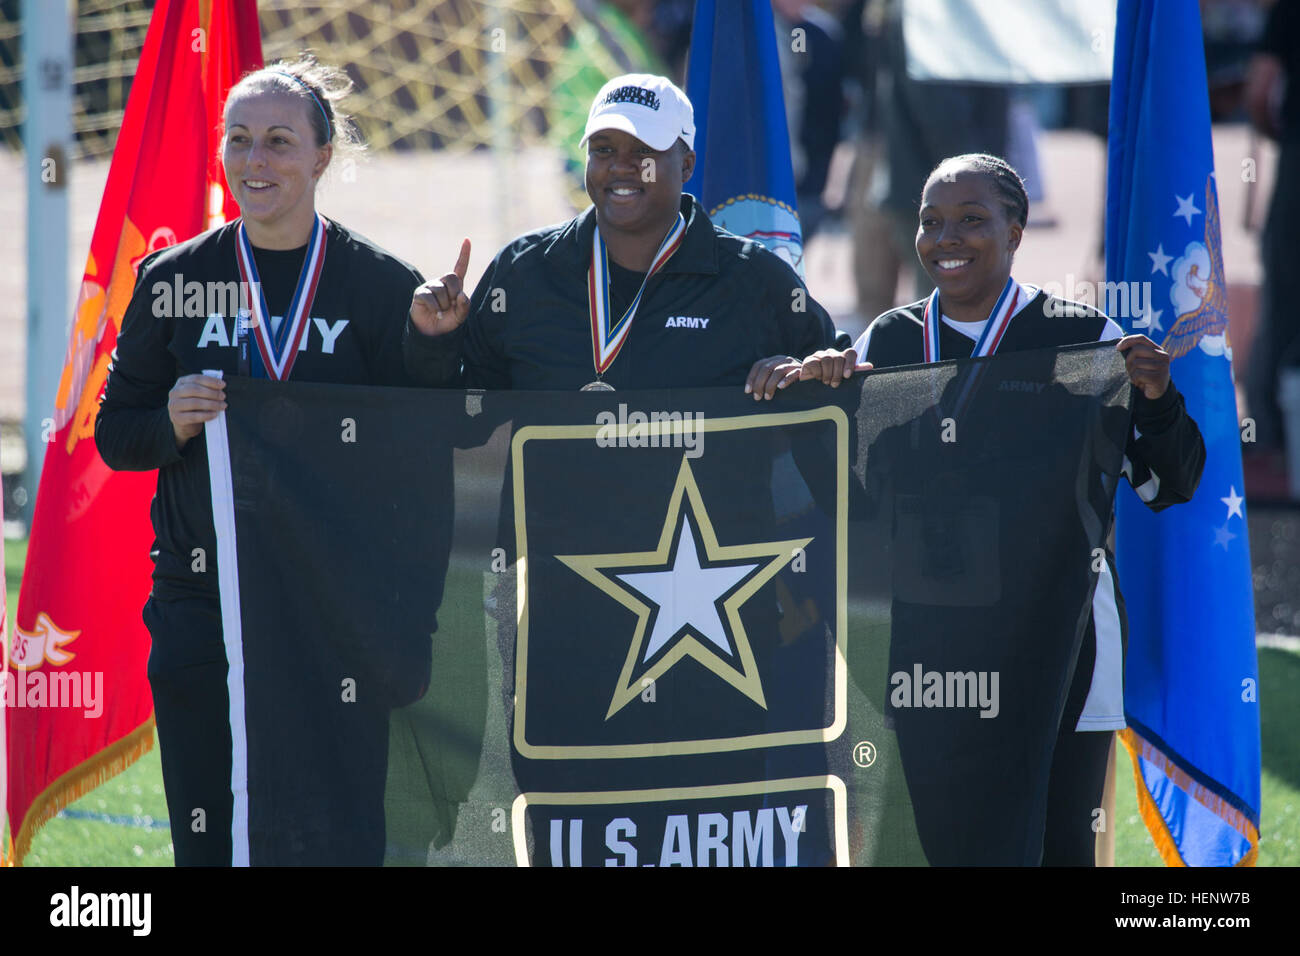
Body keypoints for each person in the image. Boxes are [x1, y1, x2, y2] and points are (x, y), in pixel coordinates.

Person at [95, 55, 459, 865]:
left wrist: (436, 349)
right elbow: (115, 435)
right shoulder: (174, 281)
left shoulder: (375, 285)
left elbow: (432, 448)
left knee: (340, 834)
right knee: (211, 835)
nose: (255, 162)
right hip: (204, 602)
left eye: (279, 142)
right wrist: (171, 423)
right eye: (239, 140)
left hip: (336, 611)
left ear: (322, 158)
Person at [798, 153, 1206, 865]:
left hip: (1064, 647)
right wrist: (811, 398)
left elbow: (1164, 487)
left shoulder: (1084, 340)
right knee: (949, 844)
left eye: (971, 220)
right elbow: (847, 500)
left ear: (1017, 233)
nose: (945, 238)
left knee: (1060, 847)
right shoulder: (887, 344)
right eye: (931, 221)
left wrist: (1159, 403)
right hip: (931, 655)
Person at [405, 72, 843, 392]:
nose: (620, 166)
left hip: (697, 520)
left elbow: (845, 381)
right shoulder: (523, 272)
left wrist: (812, 373)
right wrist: (434, 342)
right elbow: (461, 423)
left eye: (643, 151)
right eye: (604, 150)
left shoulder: (755, 279)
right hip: (551, 521)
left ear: (687, 164)